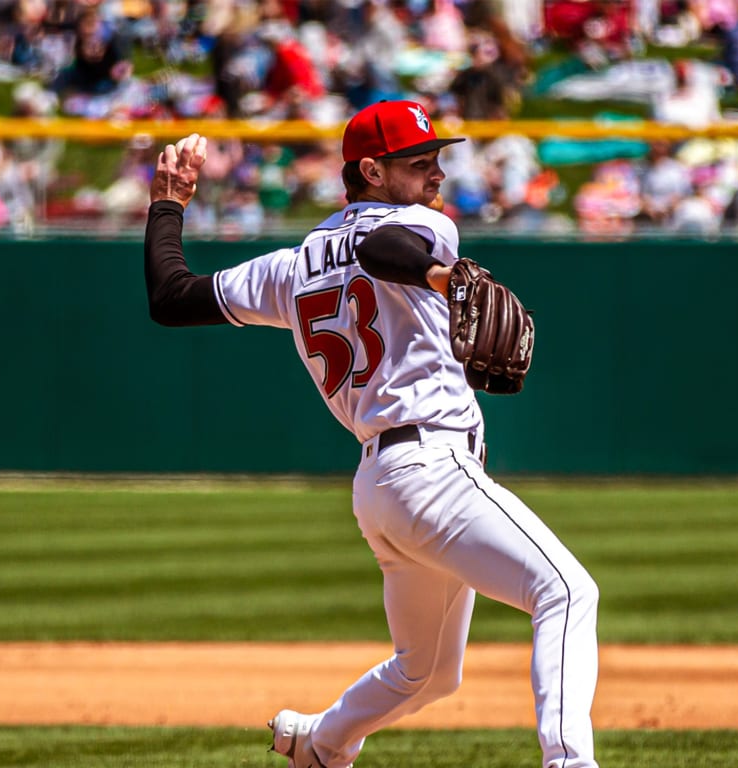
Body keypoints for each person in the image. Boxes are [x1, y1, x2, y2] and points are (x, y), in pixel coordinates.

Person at [142, 101, 601, 768]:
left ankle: (320, 744)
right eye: (420, 164)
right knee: (565, 591)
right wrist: (440, 275)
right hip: (432, 471)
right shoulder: (417, 226)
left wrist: (167, 203)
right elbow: (381, 248)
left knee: (428, 671)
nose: (436, 175)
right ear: (371, 171)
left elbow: (172, 296)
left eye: (437, 160)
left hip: (381, 486)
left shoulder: (294, 265)